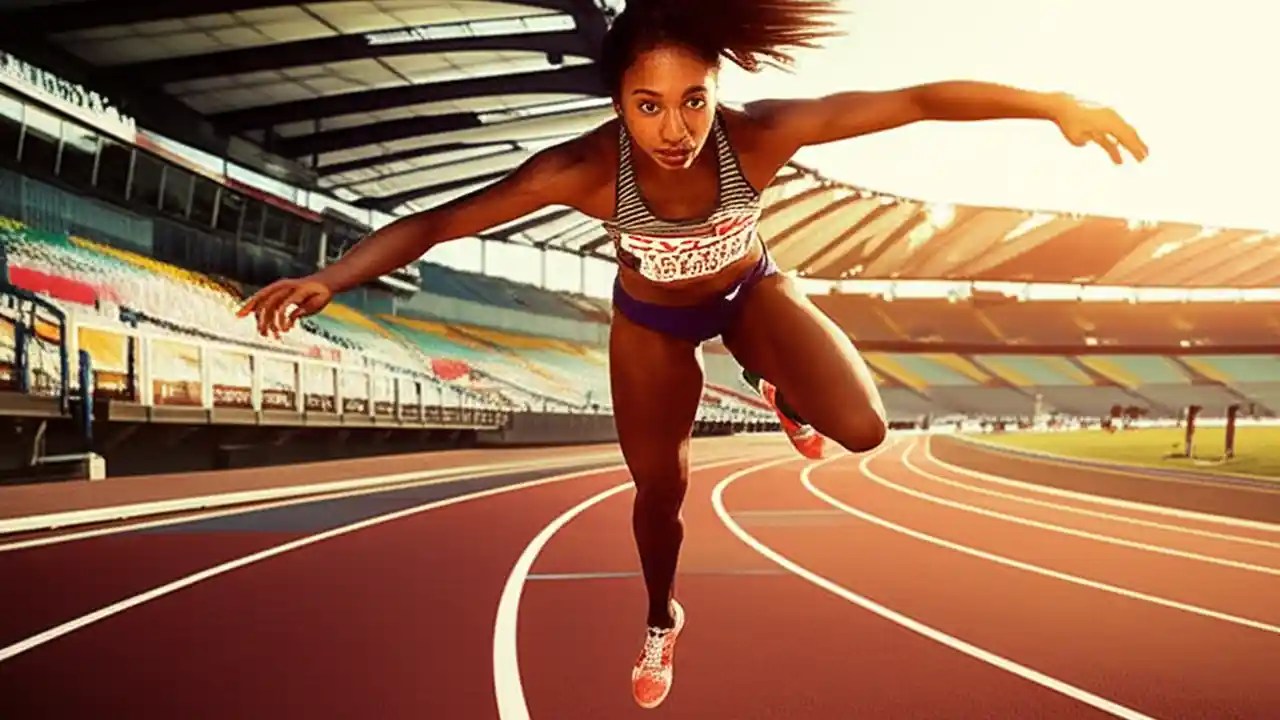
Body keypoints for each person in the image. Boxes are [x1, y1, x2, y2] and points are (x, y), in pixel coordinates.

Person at [236, 0, 1148, 708]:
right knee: (659, 495)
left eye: (693, 101)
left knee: (865, 429)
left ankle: (776, 381)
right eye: (648, 106)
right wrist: (338, 278)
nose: (674, 129)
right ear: (618, 105)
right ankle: (661, 618)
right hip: (653, 327)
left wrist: (1051, 105)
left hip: (751, 297)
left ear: (718, 91)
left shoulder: (760, 137)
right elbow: (441, 219)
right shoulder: (584, 171)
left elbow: (912, 103)